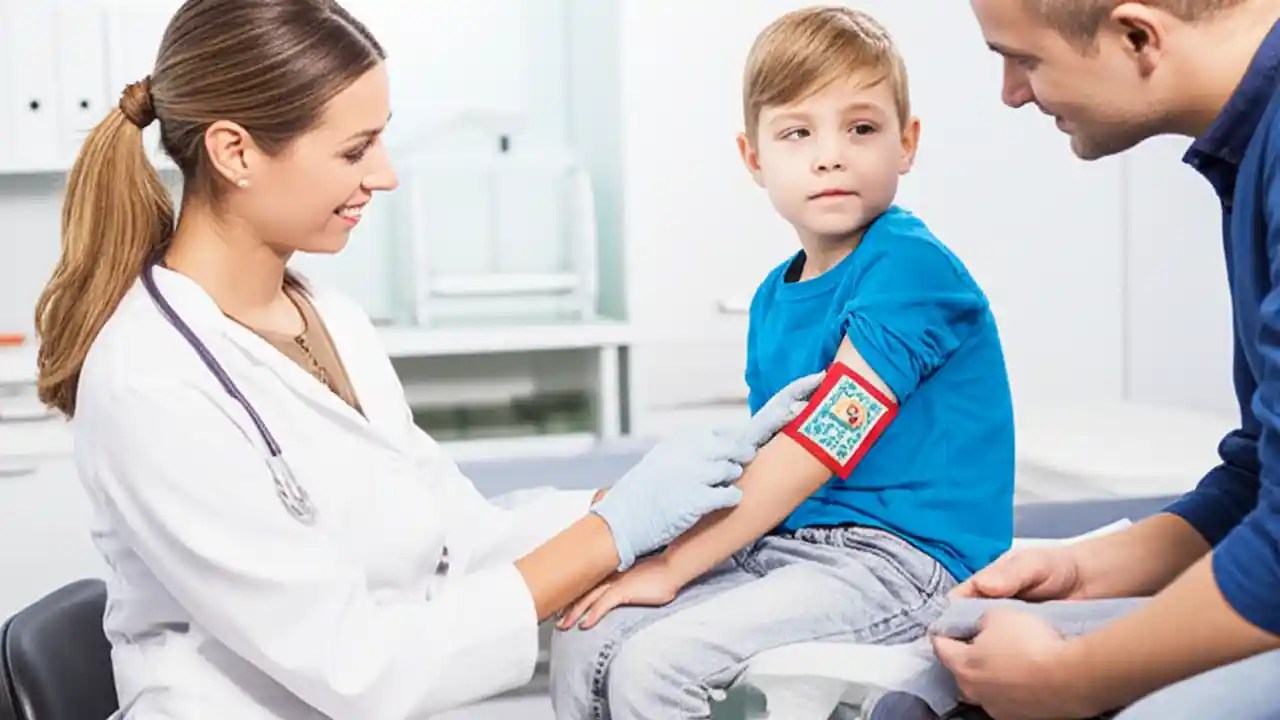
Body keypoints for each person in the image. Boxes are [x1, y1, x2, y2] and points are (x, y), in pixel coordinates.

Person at [30, 1, 821, 718]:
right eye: (354, 150)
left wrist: (640, 495)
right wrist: (610, 535)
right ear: (235, 152)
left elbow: (457, 533)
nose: (386, 174)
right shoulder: (150, 380)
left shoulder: (328, 317)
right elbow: (356, 667)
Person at [548, 8, 1016, 719]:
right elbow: (761, 455)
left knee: (656, 664)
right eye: (798, 133)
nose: (830, 155)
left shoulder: (909, 270)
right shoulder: (774, 295)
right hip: (799, 544)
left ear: (906, 143)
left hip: (907, 562)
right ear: (753, 156)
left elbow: (821, 444)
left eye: (860, 128)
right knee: (586, 633)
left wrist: (677, 566)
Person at [932, 1, 1280, 718]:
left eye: (1025, 60)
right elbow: (1258, 475)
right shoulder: (1250, 156)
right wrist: (1085, 571)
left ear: (1136, 36)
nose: (1012, 92)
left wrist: (1068, 680)